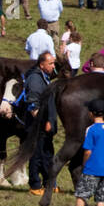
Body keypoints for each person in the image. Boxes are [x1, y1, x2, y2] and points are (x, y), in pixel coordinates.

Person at [61, 99, 104, 206]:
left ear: (91, 113)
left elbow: (88, 150)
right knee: (101, 197)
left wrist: (84, 163)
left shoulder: (90, 130)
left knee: (81, 194)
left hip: (92, 168)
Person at [23, 52, 58, 194]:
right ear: (41, 64)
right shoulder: (35, 80)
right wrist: (44, 122)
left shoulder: (44, 77)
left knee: (47, 153)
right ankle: (35, 185)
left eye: (53, 63)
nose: (53, 66)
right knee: (36, 155)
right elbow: (33, 105)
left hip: (46, 124)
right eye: (50, 63)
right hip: (37, 126)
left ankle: (49, 182)